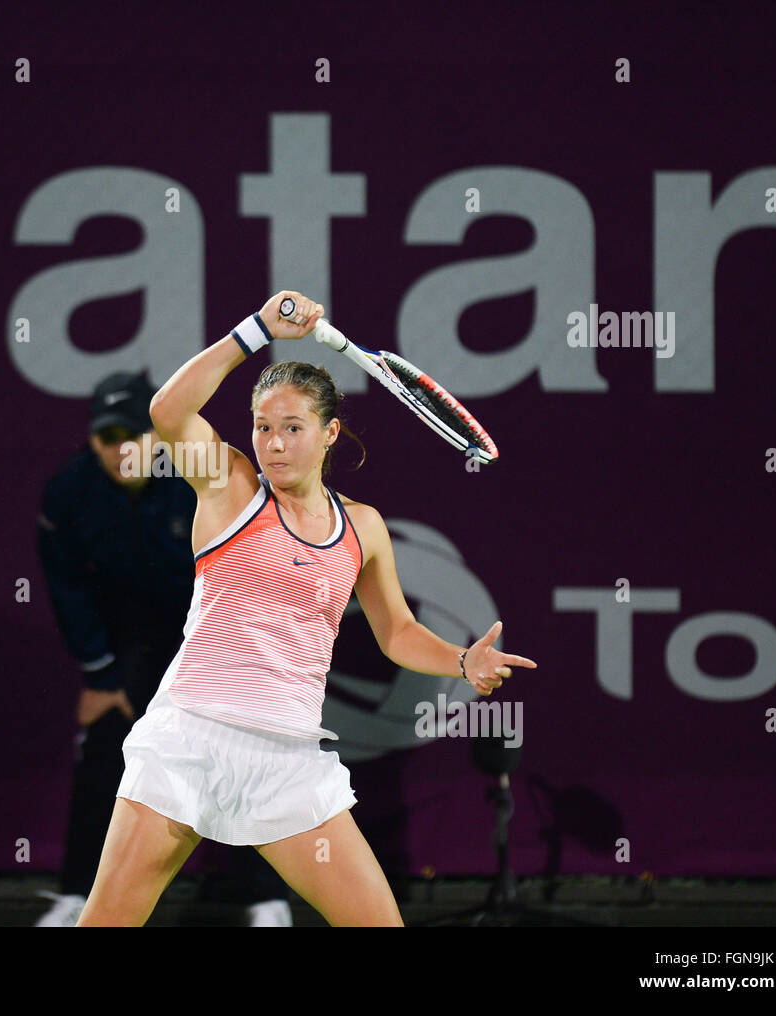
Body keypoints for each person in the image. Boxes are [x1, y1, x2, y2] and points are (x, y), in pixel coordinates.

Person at [76, 292, 538, 927]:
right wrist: (256, 331)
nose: (274, 443)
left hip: (288, 763)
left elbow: (396, 631)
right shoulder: (228, 486)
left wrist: (461, 660)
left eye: (293, 428)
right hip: (188, 741)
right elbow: (168, 411)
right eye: (263, 426)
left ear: (330, 432)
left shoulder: (363, 529)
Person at [35, 371, 295, 926]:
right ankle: (79, 895)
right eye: (109, 438)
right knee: (107, 748)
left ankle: (265, 898)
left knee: (240, 756)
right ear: (91, 441)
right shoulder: (69, 492)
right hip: (129, 636)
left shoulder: (201, 475)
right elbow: (69, 587)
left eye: (134, 435)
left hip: (219, 627)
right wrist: (101, 674)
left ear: (158, 436)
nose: (121, 450)